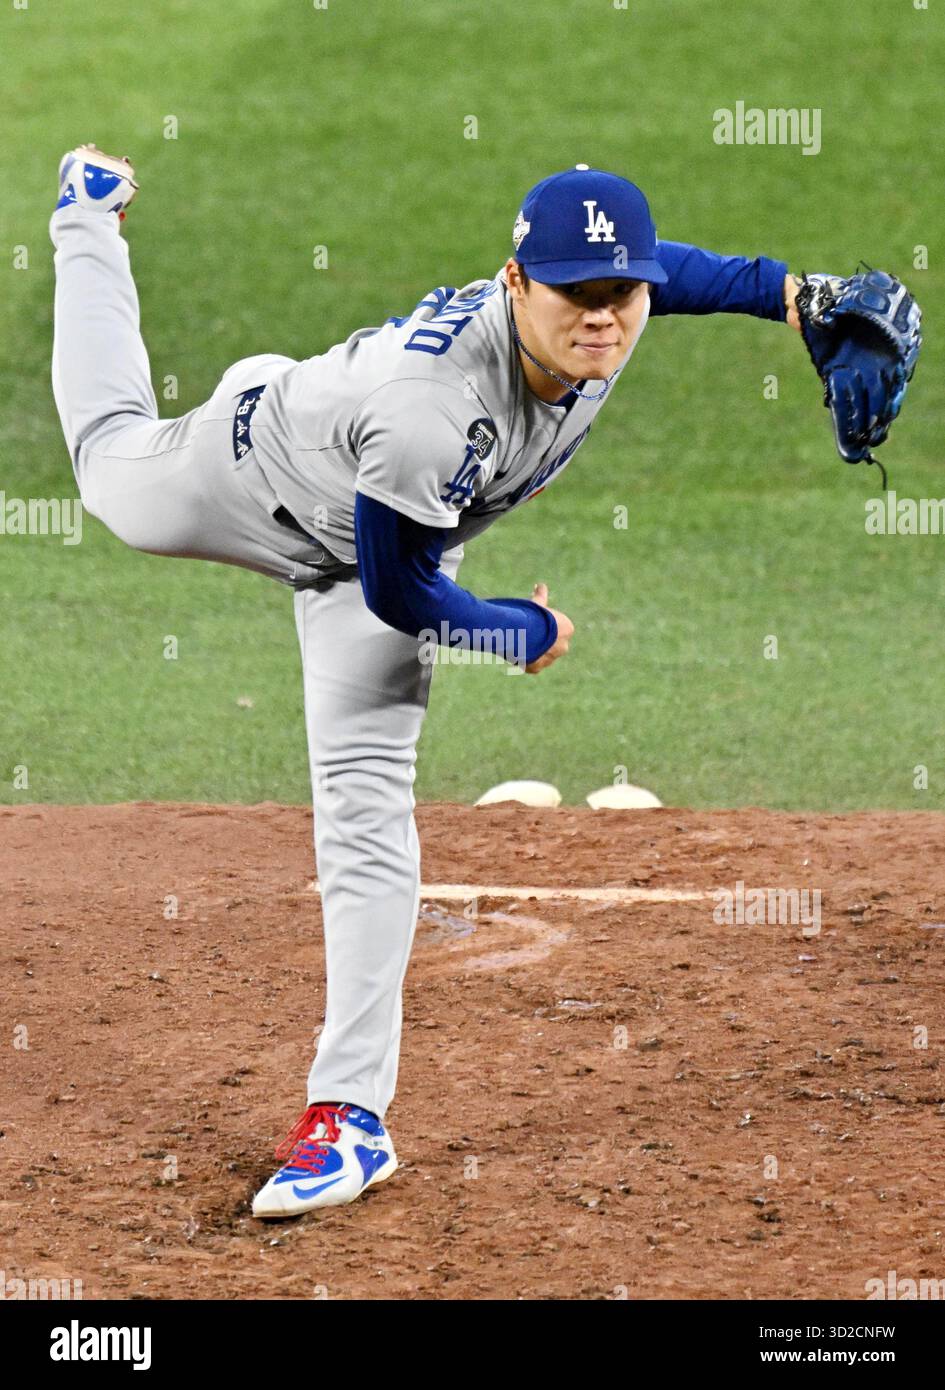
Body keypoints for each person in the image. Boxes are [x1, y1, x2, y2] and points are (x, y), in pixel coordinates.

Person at [50, 147, 804, 1217]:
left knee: (364, 813)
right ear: (515, 283)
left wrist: (796, 298)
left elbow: (682, 271)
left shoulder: (609, 312)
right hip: (251, 476)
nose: (605, 319)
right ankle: (85, 219)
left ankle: (348, 1117)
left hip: (376, 507)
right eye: (575, 296)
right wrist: (515, 630)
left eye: (622, 293)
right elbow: (401, 587)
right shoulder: (434, 408)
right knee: (110, 471)